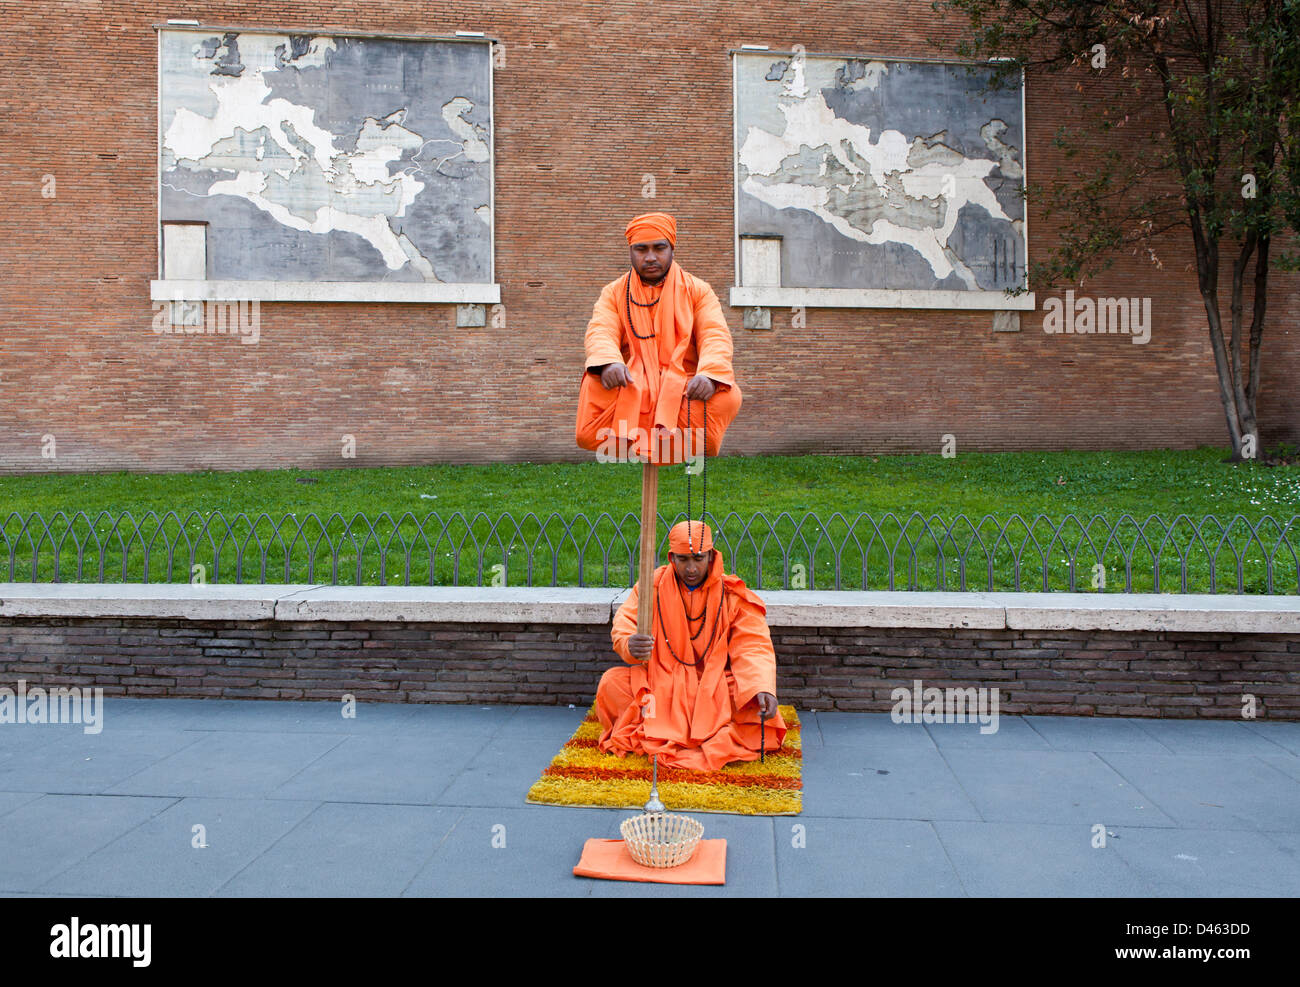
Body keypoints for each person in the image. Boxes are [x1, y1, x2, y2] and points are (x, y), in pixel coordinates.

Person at [594, 520, 787, 771]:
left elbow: (752, 645)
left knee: (752, 702)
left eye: (698, 558)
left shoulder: (731, 594)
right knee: (612, 683)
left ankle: (664, 730)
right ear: (672, 558)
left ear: (711, 556)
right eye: (683, 559)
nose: (692, 568)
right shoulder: (650, 587)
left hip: (713, 686)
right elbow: (625, 623)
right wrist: (630, 644)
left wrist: (761, 687)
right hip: (661, 682)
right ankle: (701, 731)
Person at [575, 212, 742, 463]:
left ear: (671, 248)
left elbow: (715, 335)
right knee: (593, 385)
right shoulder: (613, 292)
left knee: (727, 398)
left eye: (659, 248)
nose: (651, 257)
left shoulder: (698, 291)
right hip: (631, 382)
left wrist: (708, 375)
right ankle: (646, 442)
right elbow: (601, 329)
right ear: (630, 252)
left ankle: (650, 444)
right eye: (641, 249)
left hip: (683, 386)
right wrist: (609, 362)